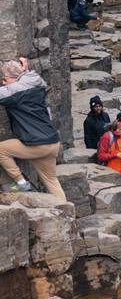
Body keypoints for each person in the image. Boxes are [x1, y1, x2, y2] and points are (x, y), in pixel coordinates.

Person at [0, 59, 64, 199]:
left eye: (4, 79)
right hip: (52, 142)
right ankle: (67, 214)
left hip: (36, 144)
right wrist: (25, 71)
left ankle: (21, 183)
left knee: (1, 149)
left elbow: (6, 92)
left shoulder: (14, 92)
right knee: (51, 181)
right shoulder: (35, 82)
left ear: (12, 78)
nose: (3, 83)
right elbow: (27, 79)